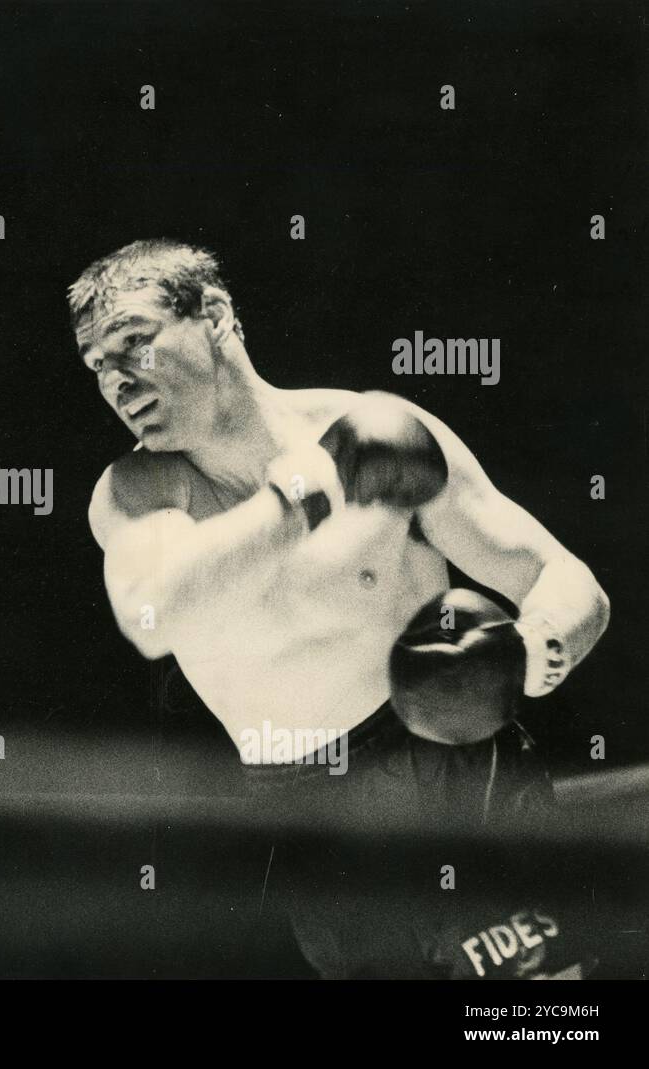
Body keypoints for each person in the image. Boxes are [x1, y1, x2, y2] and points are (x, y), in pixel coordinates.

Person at [71, 239, 610, 978]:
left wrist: (535, 650)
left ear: (217, 317)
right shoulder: (134, 492)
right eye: (99, 363)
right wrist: (306, 494)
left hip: (456, 769)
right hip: (313, 812)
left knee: (538, 1025)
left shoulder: (378, 426)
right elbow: (151, 615)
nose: (118, 379)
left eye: (136, 342)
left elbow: (561, 575)